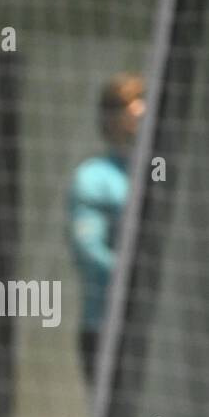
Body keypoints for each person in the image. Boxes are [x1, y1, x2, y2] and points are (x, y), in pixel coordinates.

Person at [68, 72, 145, 386]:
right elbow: (88, 250)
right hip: (105, 327)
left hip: (153, 324)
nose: (141, 111)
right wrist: (135, 277)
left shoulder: (158, 174)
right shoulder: (94, 178)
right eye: (131, 105)